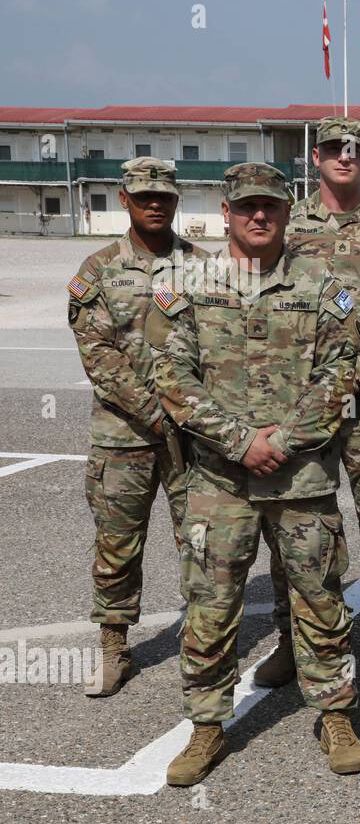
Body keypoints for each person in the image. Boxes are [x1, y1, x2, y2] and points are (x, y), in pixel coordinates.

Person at [147, 163, 360, 785]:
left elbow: (342, 373)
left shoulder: (325, 285)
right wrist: (242, 442)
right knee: (211, 604)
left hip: (301, 478)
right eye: (247, 207)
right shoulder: (186, 282)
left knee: (320, 598)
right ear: (226, 211)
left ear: (287, 211)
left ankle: (335, 713)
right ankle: (208, 726)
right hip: (221, 481)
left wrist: (285, 440)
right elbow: (172, 377)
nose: (259, 217)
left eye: (270, 206)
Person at [252, 115, 360, 690]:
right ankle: (290, 637)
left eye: (355, 150)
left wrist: (359, 375)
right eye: (332, 149)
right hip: (300, 406)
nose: (343, 157)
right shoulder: (289, 223)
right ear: (316, 158)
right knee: (293, 525)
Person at [68, 157, 200, 696]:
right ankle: (114, 647)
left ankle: (203, 644)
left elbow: (219, 344)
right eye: (144, 195)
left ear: (175, 202)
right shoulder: (97, 269)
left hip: (191, 439)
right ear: (124, 199)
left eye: (164, 197)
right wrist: (152, 408)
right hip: (123, 436)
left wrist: (189, 412)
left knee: (201, 541)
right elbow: (96, 352)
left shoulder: (205, 267)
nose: (154, 204)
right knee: (118, 544)